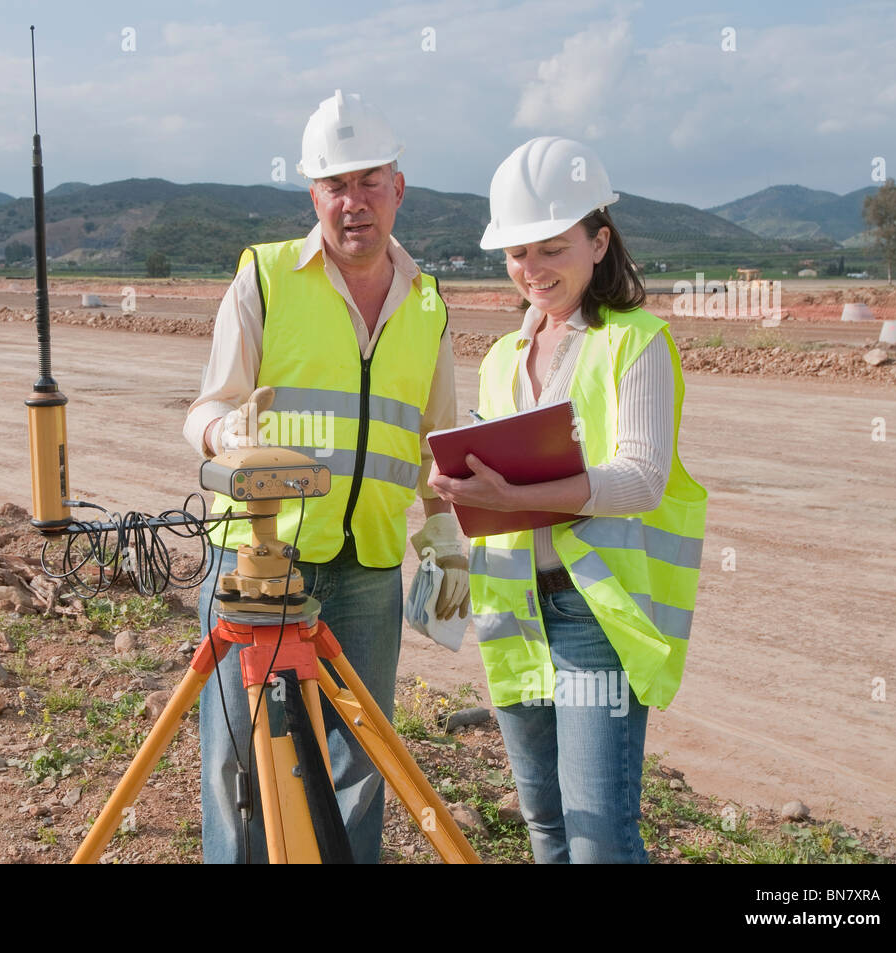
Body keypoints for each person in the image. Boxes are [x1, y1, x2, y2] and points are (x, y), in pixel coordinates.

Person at [183, 89, 466, 864]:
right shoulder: (267, 278)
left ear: (398, 189)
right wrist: (226, 429)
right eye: (336, 186)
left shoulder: (428, 303)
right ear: (313, 195)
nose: (354, 202)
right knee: (241, 768)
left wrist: (443, 537)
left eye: (370, 180)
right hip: (256, 567)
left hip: (369, 569)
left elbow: (434, 442)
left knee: (362, 765)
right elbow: (204, 406)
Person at [428, 136, 707, 864]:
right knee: (546, 827)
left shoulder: (636, 344)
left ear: (598, 240)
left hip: (593, 617)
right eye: (518, 254)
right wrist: (462, 490)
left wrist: (513, 492)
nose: (533, 270)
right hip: (512, 607)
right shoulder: (499, 360)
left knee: (598, 841)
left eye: (552, 247)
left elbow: (642, 478)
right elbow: (496, 491)